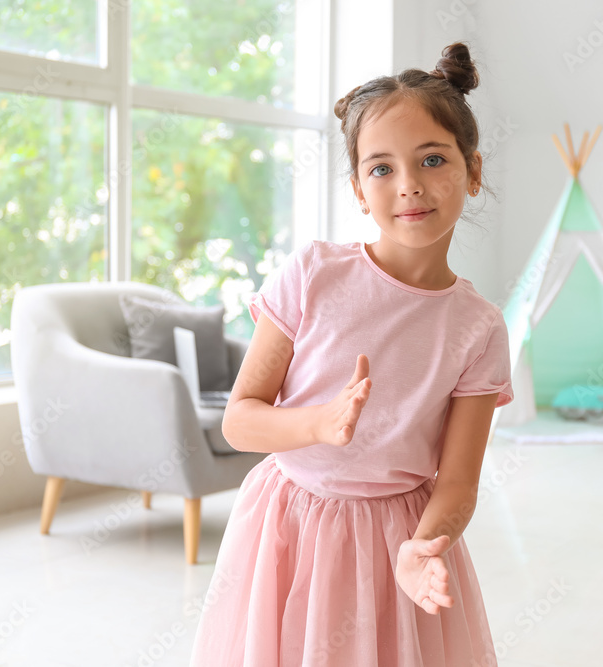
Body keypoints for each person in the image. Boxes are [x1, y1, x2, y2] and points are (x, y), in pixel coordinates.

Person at [189, 41, 514, 667]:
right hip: (288, 524)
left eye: (432, 159)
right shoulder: (313, 274)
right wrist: (318, 423)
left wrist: (424, 547)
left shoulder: (479, 328)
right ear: (359, 189)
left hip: (398, 539)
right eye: (381, 168)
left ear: (473, 171)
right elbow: (240, 420)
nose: (409, 185)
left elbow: (458, 482)